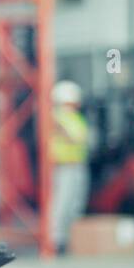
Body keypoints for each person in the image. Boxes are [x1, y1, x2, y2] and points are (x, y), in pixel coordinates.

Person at [50, 80, 90, 255]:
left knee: (75, 204)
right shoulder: (56, 117)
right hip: (63, 167)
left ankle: (72, 239)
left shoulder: (74, 118)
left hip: (77, 165)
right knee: (61, 204)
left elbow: (80, 139)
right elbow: (73, 138)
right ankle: (56, 240)